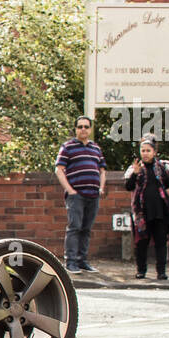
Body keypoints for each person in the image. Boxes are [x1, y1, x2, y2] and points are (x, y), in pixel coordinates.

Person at [123, 135, 169, 280]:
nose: (145, 153)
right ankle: (141, 270)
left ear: (154, 152)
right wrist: (135, 174)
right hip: (142, 213)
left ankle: (161, 272)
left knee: (161, 242)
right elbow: (128, 186)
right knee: (141, 243)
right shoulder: (135, 168)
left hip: (161, 211)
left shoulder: (164, 166)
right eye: (143, 150)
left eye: (148, 150)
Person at [54, 115, 106, 274]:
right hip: (76, 195)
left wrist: (101, 188)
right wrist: (70, 190)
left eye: (86, 127)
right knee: (74, 227)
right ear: (75, 129)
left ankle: (82, 261)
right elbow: (59, 170)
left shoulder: (96, 148)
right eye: (80, 126)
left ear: (90, 129)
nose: (83, 129)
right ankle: (71, 262)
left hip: (93, 195)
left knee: (86, 229)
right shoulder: (67, 147)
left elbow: (102, 171)